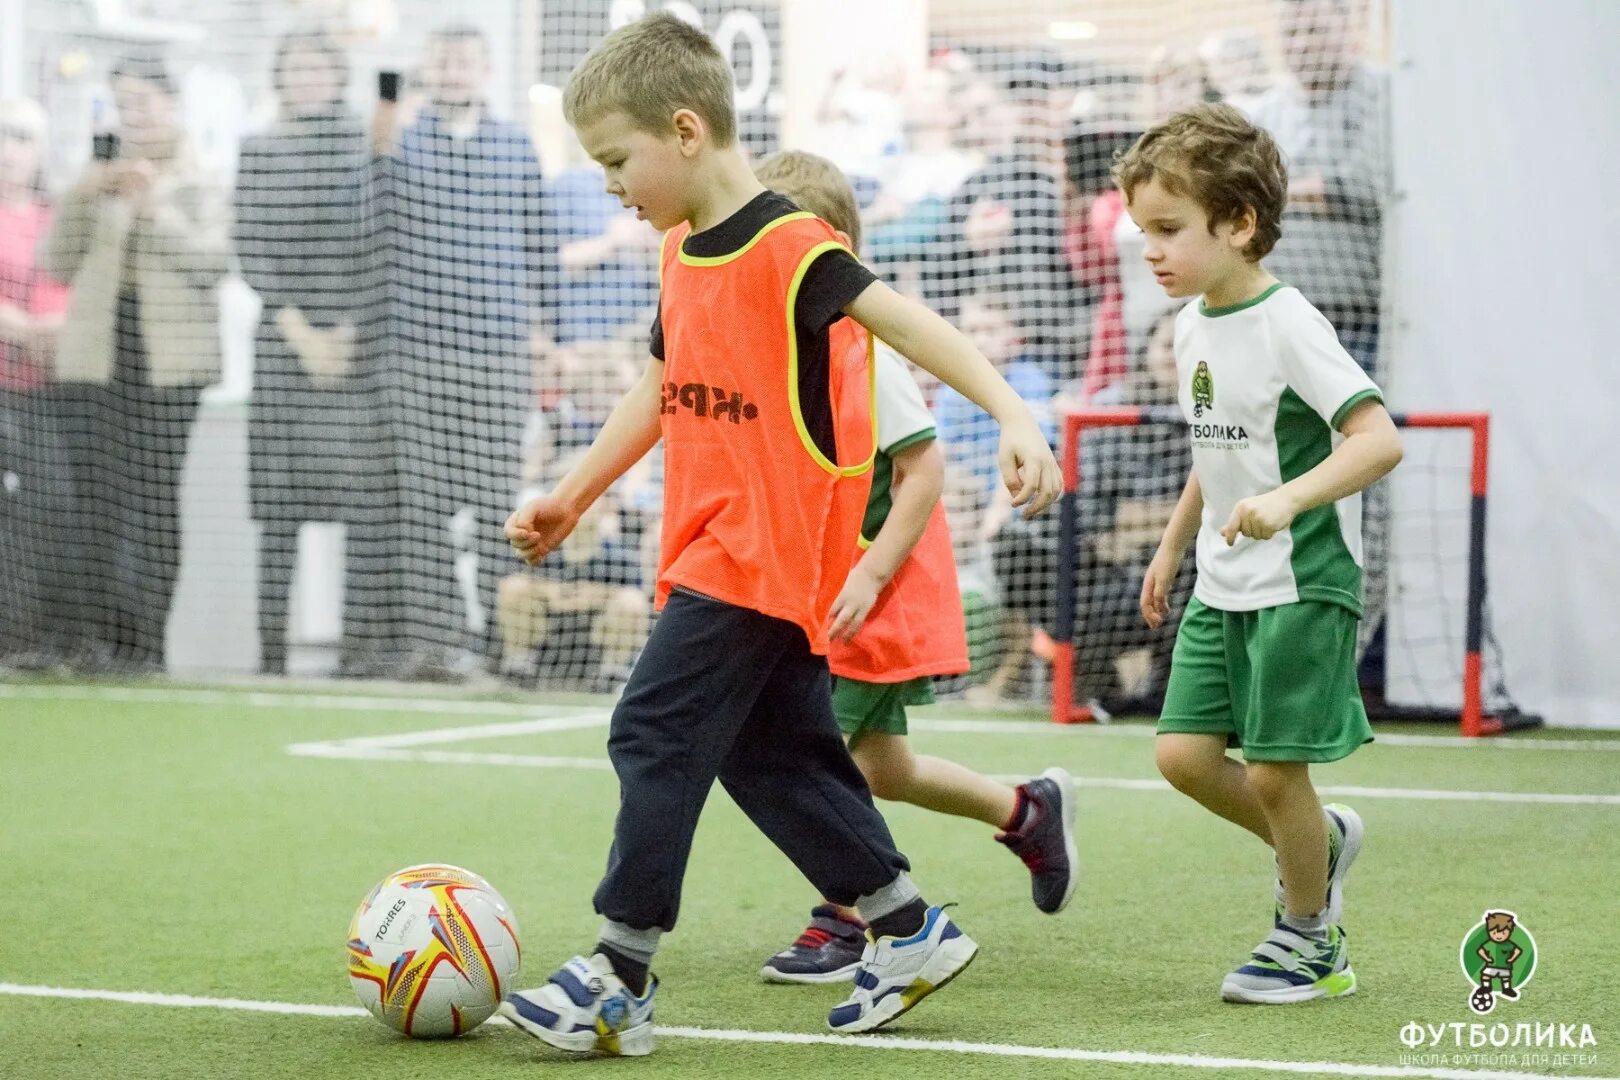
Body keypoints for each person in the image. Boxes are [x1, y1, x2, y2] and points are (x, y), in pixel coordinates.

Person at [497, 13, 1060, 1056]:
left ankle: (619, 970)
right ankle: (905, 928)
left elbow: (913, 325)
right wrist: (572, 493)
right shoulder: (678, 251)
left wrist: (1014, 414)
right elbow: (664, 384)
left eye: (618, 161)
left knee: (652, 731)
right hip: (712, 551)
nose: (612, 185)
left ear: (686, 130)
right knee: (772, 757)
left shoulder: (792, 246)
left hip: (762, 560)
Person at [748, 150, 1078, 985]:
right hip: (830, 587)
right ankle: (1025, 809)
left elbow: (920, 473)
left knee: (825, 756)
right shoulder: (787, 349)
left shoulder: (864, 347)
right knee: (885, 767)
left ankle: (849, 917)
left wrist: (867, 574)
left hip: (875, 586)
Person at [1117, 103, 1402, 1003]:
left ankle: (1312, 941)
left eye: (1169, 229)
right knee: (1182, 758)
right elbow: (1220, 449)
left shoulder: (1289, 322)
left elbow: (1377, 439)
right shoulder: (1191, 322)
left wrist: (1286, 500)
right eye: (1142, 233)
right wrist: (1170, 547)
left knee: (1280, 772)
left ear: (1240, 224)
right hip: (1222, 576)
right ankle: (1317, 840)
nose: (1151, 251)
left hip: (1304, 580)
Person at [372, 23, 558, 678]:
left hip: (497, 351)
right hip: (418, 350)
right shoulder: (402, 142)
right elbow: (367, 218)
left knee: (493, 500)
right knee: (421, 500)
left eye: (466, 62)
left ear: (484, 72)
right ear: (428, 68)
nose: (454, 71)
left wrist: (547, 334)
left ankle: (494, 641)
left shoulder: (515, 146)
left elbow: (543, 247)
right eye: (442, 60)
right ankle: (435, 642)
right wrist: (384, 141)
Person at [43, 53, 230, 674]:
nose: (133, 116)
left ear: (170, 103)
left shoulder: (202, 176)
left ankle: (144, 644)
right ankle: (90, 640)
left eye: (143, 102)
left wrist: (157, 209)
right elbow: (57, 264)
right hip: (94, 356)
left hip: (168, 364)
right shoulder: (96, 175)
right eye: (122, 104)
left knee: (154, 501)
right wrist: (82, 194)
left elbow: (214, 264)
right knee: (93, 501)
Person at [233, 30, 390, 676]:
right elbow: (250, 243)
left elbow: (381, 240)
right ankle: (270, 655)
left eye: (315, 69)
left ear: (336, 75)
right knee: (279, 510)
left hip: (357, 349)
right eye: (292, 68)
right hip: (282, 349)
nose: (304, 80)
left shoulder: (364, 144)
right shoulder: (259, 148)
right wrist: (297, 330)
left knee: (361, 505)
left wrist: (349, 329)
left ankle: (355, 652)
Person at [0, 98, 72, 669]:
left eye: (21, 138)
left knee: (44, 510)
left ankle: (28, 637)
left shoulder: (55, 219)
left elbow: (67, 295)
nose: (8, 151)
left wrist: (41, 328)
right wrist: (16, 323)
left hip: (42, 394)